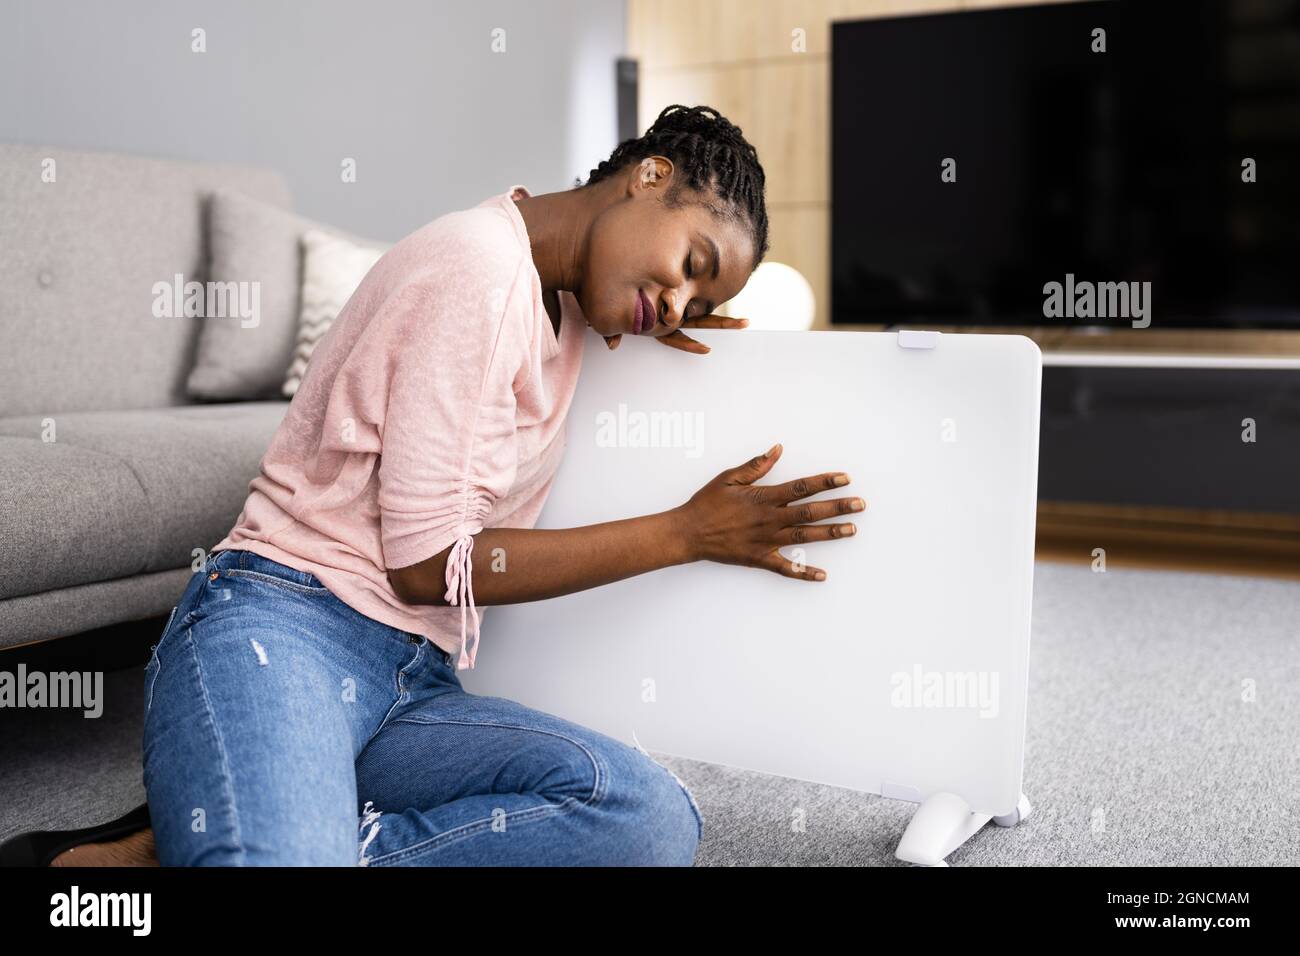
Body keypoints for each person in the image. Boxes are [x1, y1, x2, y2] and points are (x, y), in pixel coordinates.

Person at [22, 105, 862, 867]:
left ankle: (213, 840)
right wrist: (686, 533)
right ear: (649, 177)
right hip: (284, 628)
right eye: (691, 263)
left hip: (408, 679)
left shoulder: (559, 298)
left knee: (646, 817)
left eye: (701, 305)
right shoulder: (478, 271)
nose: (680, 304)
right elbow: (428, 566)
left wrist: (655, 317)